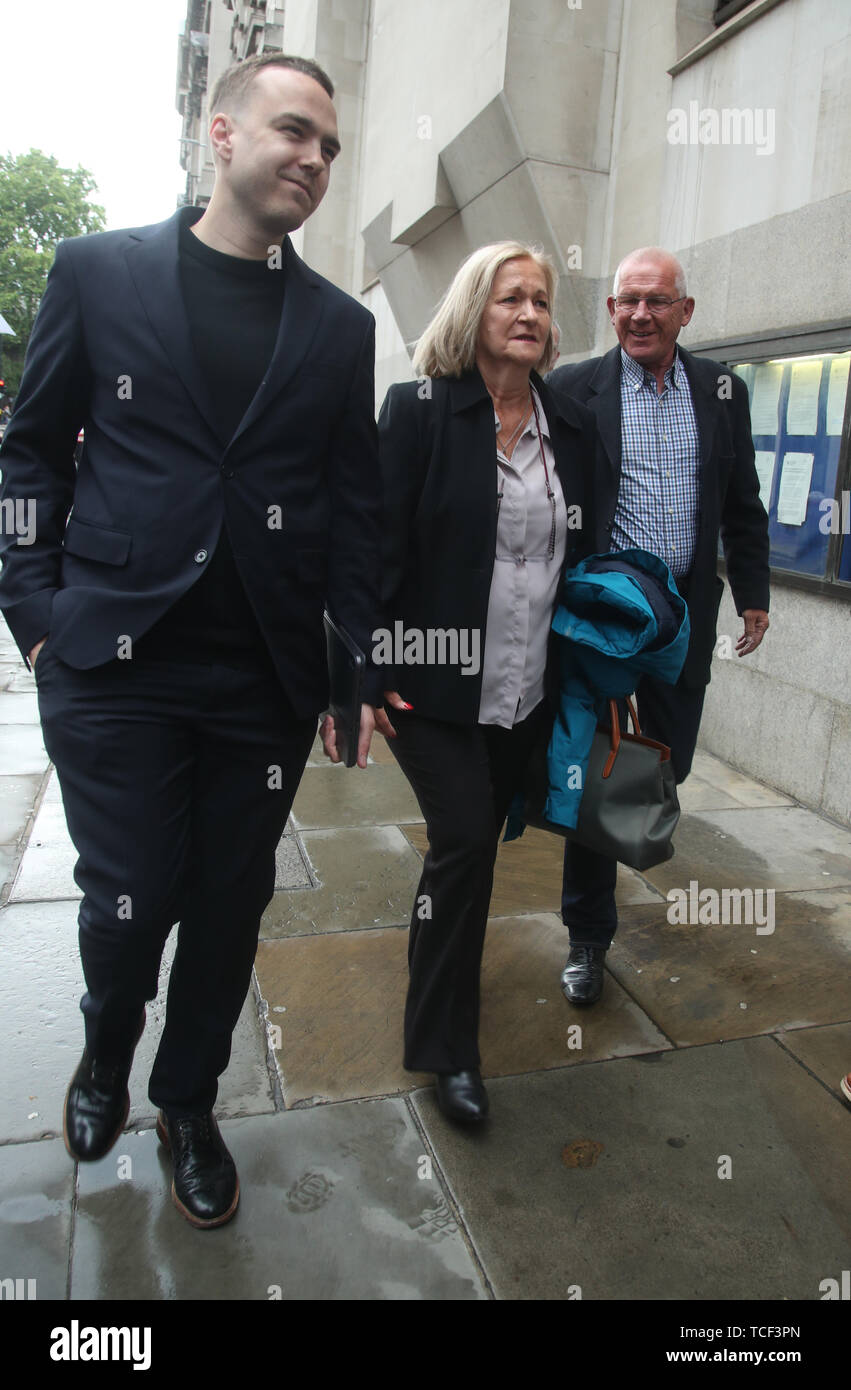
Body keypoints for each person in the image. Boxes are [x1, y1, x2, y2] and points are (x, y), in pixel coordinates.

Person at [0, 53, 390, 1228]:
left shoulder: (337, 328)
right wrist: (33, 615)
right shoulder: (98, 271)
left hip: (261, 677)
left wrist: (353, 671)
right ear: (221, 135)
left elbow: (354, 512)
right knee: (129, 892)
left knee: (227, 903)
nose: (314, 159)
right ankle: (104, 1050)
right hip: (112, 660)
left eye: (329, 146)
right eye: (294, 131)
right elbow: (29, 456)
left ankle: (186, 1102)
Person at [330, 242, 596, 1123]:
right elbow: (369, 549)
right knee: (466, 838)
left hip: (525, 689)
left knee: (472, 851)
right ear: (472, 309)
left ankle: (434, 978)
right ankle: (446, 1050)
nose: (528, 314)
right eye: (509, 298)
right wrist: (366, 668)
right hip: (432, 683)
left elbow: (584, 557)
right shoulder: (417, 412)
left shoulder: (570, 426)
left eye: (540, 301)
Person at [547, 246, 770, 1006]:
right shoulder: (572, 389)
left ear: (685, 311)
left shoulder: (722, 392)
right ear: (611, 309)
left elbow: (742, 503)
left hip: (684, 617)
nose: (640, 314)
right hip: (605, 616)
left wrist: (752, 593)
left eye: (656, 301)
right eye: (627, 301)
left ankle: (626, 842)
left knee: (665, 765)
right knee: (599, 770)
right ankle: (587, 936)